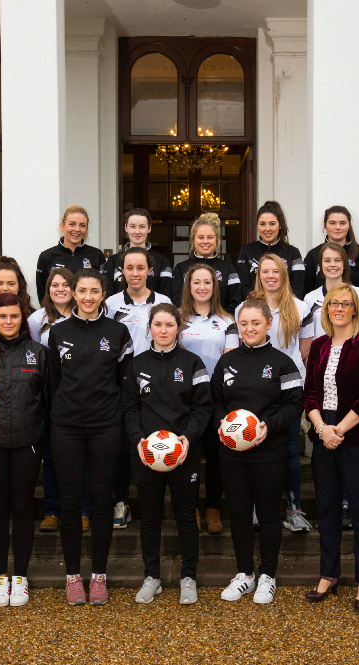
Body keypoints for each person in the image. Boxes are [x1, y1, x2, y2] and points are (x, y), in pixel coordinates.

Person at [47, 269, 134, 606]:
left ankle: (98, 575)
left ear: (102, 294)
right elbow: (54, 382)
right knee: (70, 504)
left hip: (106, 427)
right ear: (72, 293)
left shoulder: (118, 331)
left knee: (101, 502)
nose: (86, 297)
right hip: (66, 428)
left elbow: (122, 381)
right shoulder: (58, 332)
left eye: (93, 291)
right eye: (80, 290)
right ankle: (72, 576)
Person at [211, 298, 304, 604]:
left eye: (256, 323)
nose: (249, 329)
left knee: (267, 515)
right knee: (238, 514)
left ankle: (267, 575)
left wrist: (268, 424)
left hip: (270, 450)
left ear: (268, 325)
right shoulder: (226, 362)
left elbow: (294, 404)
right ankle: (244, 574)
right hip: (232, 453)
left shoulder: (282, 363)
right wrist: (222, 423)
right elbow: (214, 401)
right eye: (244, 324)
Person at [303, 284, 359, 610]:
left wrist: (340, 428)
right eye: (333, 303)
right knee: (327, 509)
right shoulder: (321, 345)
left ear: (355, 309)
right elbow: (309, 393)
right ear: (327, 309)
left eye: (345, 303)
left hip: (357, 435)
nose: (339, 308)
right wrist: (322, 428)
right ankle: (329, 573)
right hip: (324, 435)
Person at [123, 304, 212, 605]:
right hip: (147, 454)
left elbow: (203, 408)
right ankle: (152, 577)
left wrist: (187, 438)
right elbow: (130, 408)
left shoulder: (192, 363)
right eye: (158, 324)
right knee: (149, 516)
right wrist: (137, 439)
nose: (163, 330)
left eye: (169, 325)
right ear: (150, 327)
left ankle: (188, 576)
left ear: (178, 328)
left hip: (184, 453)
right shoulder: (136, 365)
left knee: (186, 515)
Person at [0, 293, 49, 608]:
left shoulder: (39, 354)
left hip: (28, 444)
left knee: (24, 508)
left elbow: (48, 400)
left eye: (14, 316)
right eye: (3, 316)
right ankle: (0, 577)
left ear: (22, 319)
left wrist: (38, 433)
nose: (8, 321)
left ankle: (21, 577)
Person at [236, 253, 314, 533]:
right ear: (259, 275)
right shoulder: (246, 307)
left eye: (275, 271)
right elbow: (239, 348)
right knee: (256, 447)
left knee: (291, 450)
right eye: (265, 271)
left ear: (283, 274)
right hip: (255, 389)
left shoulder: (300, 307)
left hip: (287, 388)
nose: (270, 276)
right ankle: (258, 508)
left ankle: (293, 509)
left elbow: (305, 351)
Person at [104, 247, 173, 529]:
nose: (134, 273)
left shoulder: (164, 301)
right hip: (122, 384)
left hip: (159, 384)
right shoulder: (109, 304)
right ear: (122, 271)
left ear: (149, 271)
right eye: (129, 267)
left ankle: (163, 503)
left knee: (159, 441)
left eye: (140, 267)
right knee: (124, 446)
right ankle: (121, 501)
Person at [27, 267, 91, 533]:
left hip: (82, 396)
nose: (61, 289)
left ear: (74, 290)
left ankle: (84, 511)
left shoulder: (85, 317)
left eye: (66, 284)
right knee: (52, 457)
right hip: (48, 395)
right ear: (47, 289)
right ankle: (52, 510)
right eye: (55, 285)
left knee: (84, 458)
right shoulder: (36, 319)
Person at [178, 262, 239, 535]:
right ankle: (190, 508)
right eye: (196, 282)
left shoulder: (227, 320)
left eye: (207, 282)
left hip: (215, 397)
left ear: (215, 287)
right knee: (188, 455)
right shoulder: (177, 318)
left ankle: (213, 509)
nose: (202, 287)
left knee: (216, 456)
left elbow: (229, 360)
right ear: (188, 287)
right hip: (183, 398)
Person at [303, 241, 359, 338]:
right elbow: (306, 337)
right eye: (327, 260)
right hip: (320, 352)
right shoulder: (310, 298)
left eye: (337, 260)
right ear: (320, 265)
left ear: (345, 264)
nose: (332, 265)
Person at [171, 212, 243, 311]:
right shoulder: (181, 268)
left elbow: (234, 303)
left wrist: (217, 320)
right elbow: (177, 301)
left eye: (210, 237)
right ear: (193, 240)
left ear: (217, 240)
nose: (205, 241)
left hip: (221, 323)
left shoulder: (228, 269)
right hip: (189, 323)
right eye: (200, 237)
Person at [35, 205, 106, 302]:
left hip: (88, 313)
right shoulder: (46, 256)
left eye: (82, 225)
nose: (77, 229)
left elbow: (103, 288)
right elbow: (42, 293)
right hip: (57, 315)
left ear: (86, 229)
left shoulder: (96, 255)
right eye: (72, 224)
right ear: (62, 226)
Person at [236, 200, 306, 298]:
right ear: (257, 226)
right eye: (262, 224)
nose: (267, 228)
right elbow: (243, 287)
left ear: (280, 225)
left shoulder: (293, 253)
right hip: (255, 308)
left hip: (286, 308)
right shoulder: (246, 251)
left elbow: (298, 288)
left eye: (272, 224)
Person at [101, 208, 173, 298]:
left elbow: (165, 295)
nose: (137, 231)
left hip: (154, 311)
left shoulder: (161, 261)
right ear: (126, 228)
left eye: (142, 227)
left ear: (149, 228)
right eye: (132, 226)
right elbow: (107, 294)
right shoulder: (113, 261)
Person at [303, 205, 359, 292]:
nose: (337, 227)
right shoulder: (313, 255)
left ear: (349, 225)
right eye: (332, 223)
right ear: (325, 225)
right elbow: (307, 290)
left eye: (342, 223)